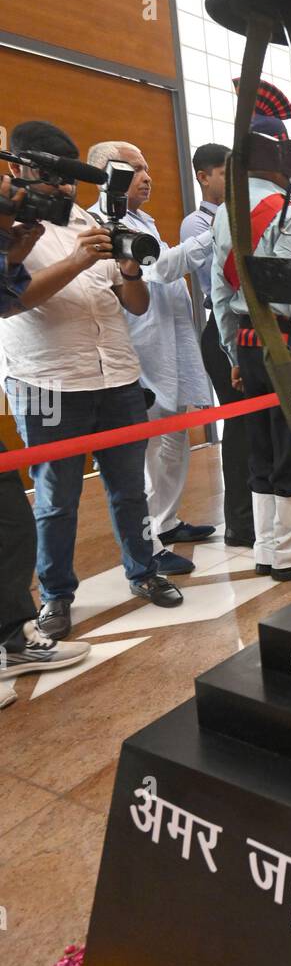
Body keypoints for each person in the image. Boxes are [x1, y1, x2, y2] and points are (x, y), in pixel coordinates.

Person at [0, 120, 182, 640]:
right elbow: (12, 303)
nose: (61, 188)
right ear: (19, 169)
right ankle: (56, 596)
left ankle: (144, 571)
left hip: (119, 376)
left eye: (68, 178)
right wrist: (81, 259)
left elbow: (138, 306)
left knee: (129, 487)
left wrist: (127, 272)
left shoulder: (93, 220)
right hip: (47, 382)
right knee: (57, 499)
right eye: (49, 176)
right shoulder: (11, 226)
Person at [210, 88, 291, 582]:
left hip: (247, 346)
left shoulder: (225, 211)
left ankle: (267, 549)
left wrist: (232, 356)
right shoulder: (288, 214)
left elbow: (219, 296)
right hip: (285, 353)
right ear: (279, 154)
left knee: (261, 451)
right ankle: (289, 555)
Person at [86, 140, 217, 576]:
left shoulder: (144, 219)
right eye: (135, 169)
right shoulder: (103, 224)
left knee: (173, 442)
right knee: (145, 455)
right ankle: (150, 539)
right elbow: (159, 268)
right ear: (107, 174)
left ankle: (168, 521)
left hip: (169, 345)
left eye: (147, 167)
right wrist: (217, 233)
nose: (147, 176)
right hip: (136, 353)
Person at [0, 176, 90, 703]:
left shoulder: (83, 223)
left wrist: (13, 250)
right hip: (42, 378)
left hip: (101, 371)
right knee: (54, 489)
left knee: (11, 522)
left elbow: (5, 293)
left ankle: (14, 634)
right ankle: (53, 599)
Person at [180, 144, 255, 549]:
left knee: (256, 424)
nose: (232, 182)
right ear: (203, 177)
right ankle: (240, 523)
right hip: (223, 328)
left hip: (246, 328)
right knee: (240, 426)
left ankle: (257, 513)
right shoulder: (198, 224)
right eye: (224, 174)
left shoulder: (239, 216)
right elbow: (220, 284)